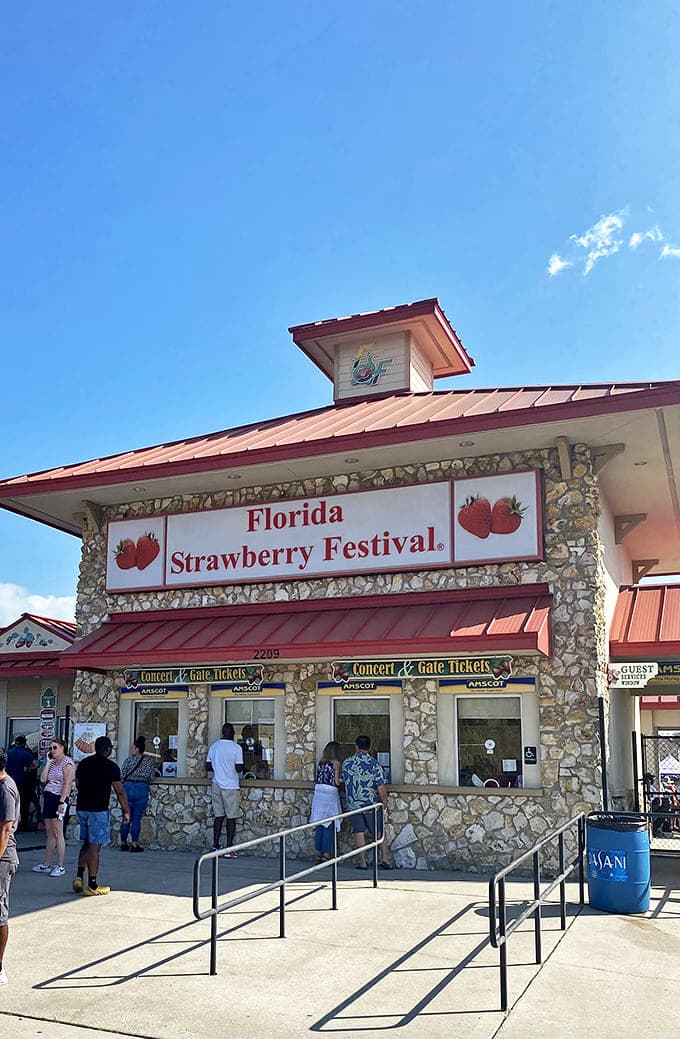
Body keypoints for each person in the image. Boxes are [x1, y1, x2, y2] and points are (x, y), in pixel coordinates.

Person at [74, 735, 130, 896]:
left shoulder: (84, 763)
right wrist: (126, 811)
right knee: (95, 847)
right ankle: (92, 884)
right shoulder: (111, 767)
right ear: (107, 750)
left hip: (82, 807)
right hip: (98, 810)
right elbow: (119, 791)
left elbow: (78, 784)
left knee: (86, 843)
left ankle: (79, 877)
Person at [341, 734, 392, 870]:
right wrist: (384, 801)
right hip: (371, 805)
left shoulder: (347, 763)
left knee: (359, 832)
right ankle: (385, 859)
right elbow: (381, 787)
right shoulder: (374, 764)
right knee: (379, 832)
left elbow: (343, 780)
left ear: (356, 746)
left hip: (353, 804)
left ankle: (362, 862)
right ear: (369, 747)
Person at [31, 737, 74, 877]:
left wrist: (62, 802)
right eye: (51, 748)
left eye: (55, 747)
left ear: (63, 748)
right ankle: (46, 863)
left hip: (59, 798)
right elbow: (43, 779)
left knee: (58, 832)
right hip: (49, 796)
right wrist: (49, 762)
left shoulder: (67, 764)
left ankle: (60, 865)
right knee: (50, 832)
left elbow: (67, 784)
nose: (52, 750)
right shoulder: (53, 763)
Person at [206, 722, 243, 857]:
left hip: (216, 783)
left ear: (222, 733)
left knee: (218, 816)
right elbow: (239, 768)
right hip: (231, 785)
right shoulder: (236, 748)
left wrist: (219, 767)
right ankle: (229, 848)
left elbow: (208, 767)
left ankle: (215, 845)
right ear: (233, 734)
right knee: (231, 817)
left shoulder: (214, 747)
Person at [0, 747, 21, 985]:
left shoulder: (5, 788)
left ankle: (0, 969)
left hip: (3, 859)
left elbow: (6, 828)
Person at [118, 736, 156, 852]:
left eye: (132, 747)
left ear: (137, 749)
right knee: (136, 818)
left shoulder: (128, 760)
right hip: (141, 788)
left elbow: (122, 774)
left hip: (128, 788)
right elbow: (151, 777)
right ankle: (135, 844)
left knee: (126, 817)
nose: (131, 749)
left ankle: (123, 843)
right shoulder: (149, 761)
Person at [310, 741, 342, 862]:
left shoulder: (321, 763)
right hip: (330, 794)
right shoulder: (336, 763)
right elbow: (337, 781)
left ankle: (319, 852)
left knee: (320, 823)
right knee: (329, 823)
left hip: (318, 793)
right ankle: (327, 854)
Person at [5, 736, 37, 832]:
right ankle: (22, 825)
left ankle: (8, 825)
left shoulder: (8, 752)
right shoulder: (26, 753)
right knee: (23, 804)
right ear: (24, 743)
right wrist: (27, 769)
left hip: (7, 781)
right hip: (22, 782)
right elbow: (36, 764)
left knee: (9, 804)